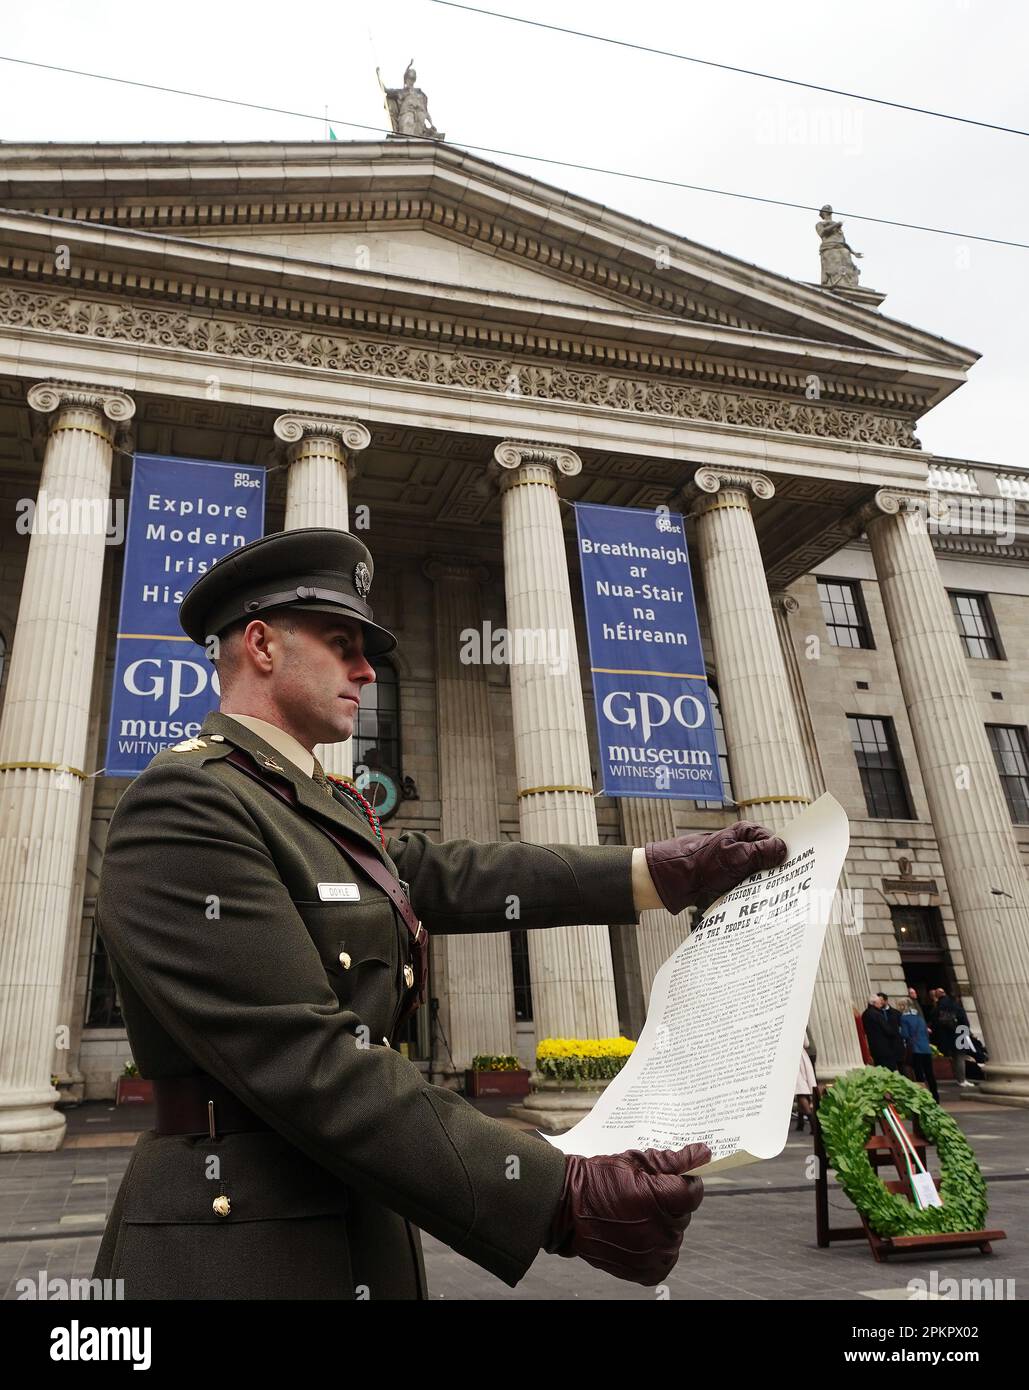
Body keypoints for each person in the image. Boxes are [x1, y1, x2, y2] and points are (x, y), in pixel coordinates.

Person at [91, 526, 789, 1300]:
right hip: (238, 1245)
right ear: (260, 645)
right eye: (341, 643)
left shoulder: (316, 803)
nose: (365, 668)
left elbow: (455, 874)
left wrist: (663, 870)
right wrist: (558, 1195)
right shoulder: (187, 799)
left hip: (359, 1208)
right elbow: (301, 1058)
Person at [928, 986, 974, 1088]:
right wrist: (966, 1031)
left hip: (946, 1037)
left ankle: (959, 1078)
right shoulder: (953, 1004)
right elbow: (963, 1019)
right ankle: (962, 1079)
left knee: (954, 1057)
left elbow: (935, 1023)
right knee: (960, 1057)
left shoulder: (937, 1008)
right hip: (959, 1033)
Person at [899, 1001, 939, 1101]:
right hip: (926, 1048)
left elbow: (904, 1034)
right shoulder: (920, 1018)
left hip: (916, 1049)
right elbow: (926, 1033)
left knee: (919, 1073)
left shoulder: (904, 1018)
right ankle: (935, 1095)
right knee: (929, 1073)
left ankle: (923, 1095)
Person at [861, 995, 901, 1072]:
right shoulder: (877, 1014)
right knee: (890, 1070)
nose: (881, 1005)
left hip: (873, 1047)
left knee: (880, 1069)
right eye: (879, 1003)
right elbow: (887, 1030)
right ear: (874, 1003)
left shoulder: (865, 1014)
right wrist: (895, 1033)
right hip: (884, 1047)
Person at [794, 1028, 818, 1132]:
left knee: (800, 1091)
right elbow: (806, 1043)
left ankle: (811, 1123)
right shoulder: (800, 1023)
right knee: (801, 1089)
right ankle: (801, 1122)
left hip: (792, 1057)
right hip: (801, 1056)